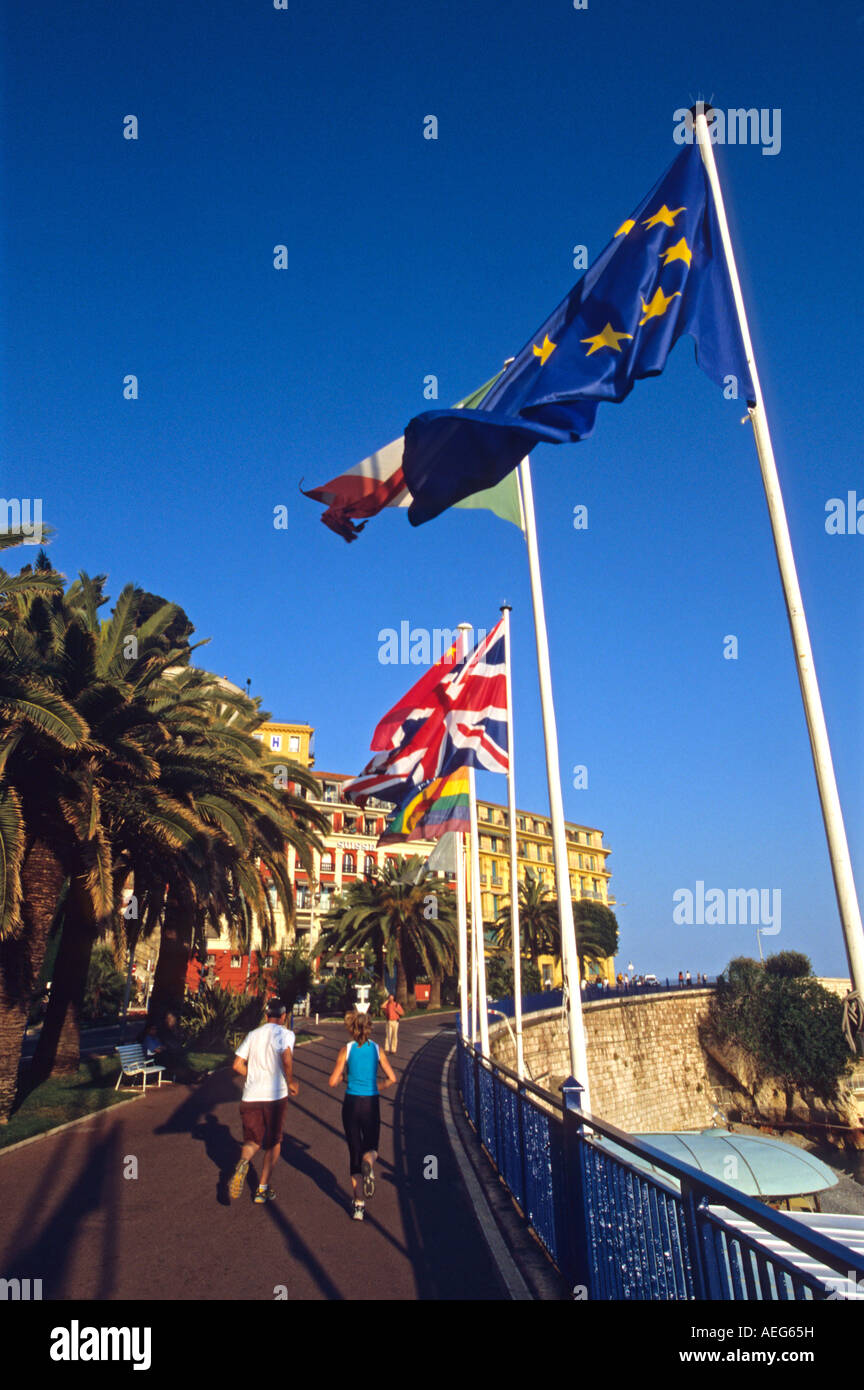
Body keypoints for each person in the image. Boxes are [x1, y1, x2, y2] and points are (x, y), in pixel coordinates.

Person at [328, 1010, 396, 1222]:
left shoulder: (345, 1050)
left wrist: (343, 1077)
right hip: (371, 1103)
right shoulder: (377, 1050)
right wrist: (379, 1085)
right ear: (369, 1028)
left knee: (353, 1152)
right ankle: (369, 1162)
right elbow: (392, 1078)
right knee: (372, 1147)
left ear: (352, 1028)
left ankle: (358, 1205)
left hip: (351, 1104)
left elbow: (332, 1082)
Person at [229, 999, 298, 1204]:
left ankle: (243, 1162)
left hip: (251, 1095)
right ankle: (262, 1188)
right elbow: (286, 1057)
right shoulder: (286, 1034)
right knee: (274, 1142)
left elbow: (236, 1064)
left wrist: (255, 1075)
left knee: (252, 1140)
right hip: (275, 1096)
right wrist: (291, 1081)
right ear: (284, 1016)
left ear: (266, 1015)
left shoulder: (253, 1034)